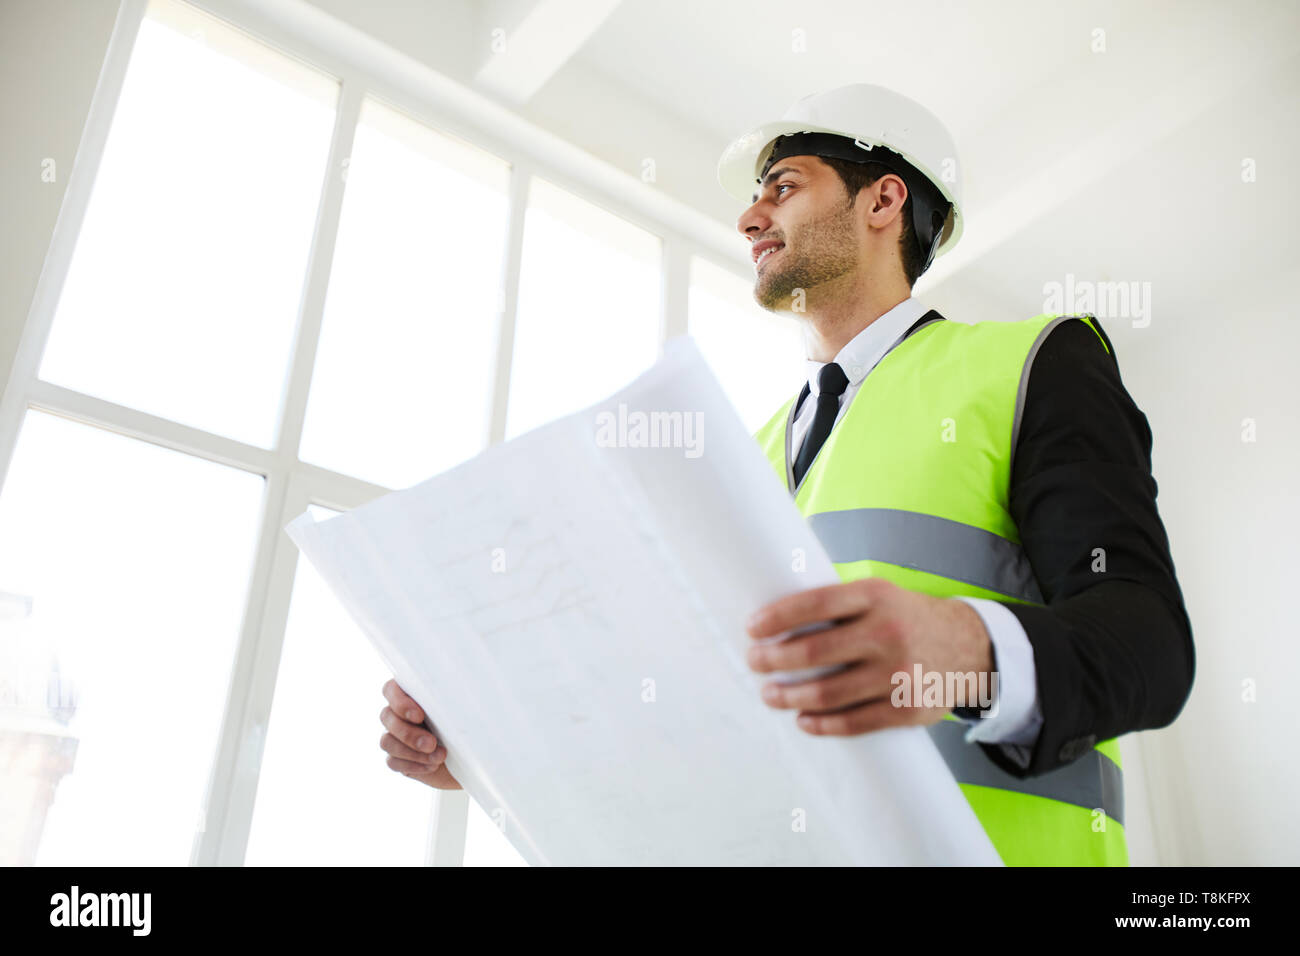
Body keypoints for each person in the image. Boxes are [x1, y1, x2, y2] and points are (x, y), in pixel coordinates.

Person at [378, 83, 1194, 865]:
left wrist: (959, 649)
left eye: (783, 186)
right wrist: (495, 757)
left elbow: (1149, 646)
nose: (747, 217)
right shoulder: (747, 456)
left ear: (882, 201)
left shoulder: (1028, 363)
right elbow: (698, 726)